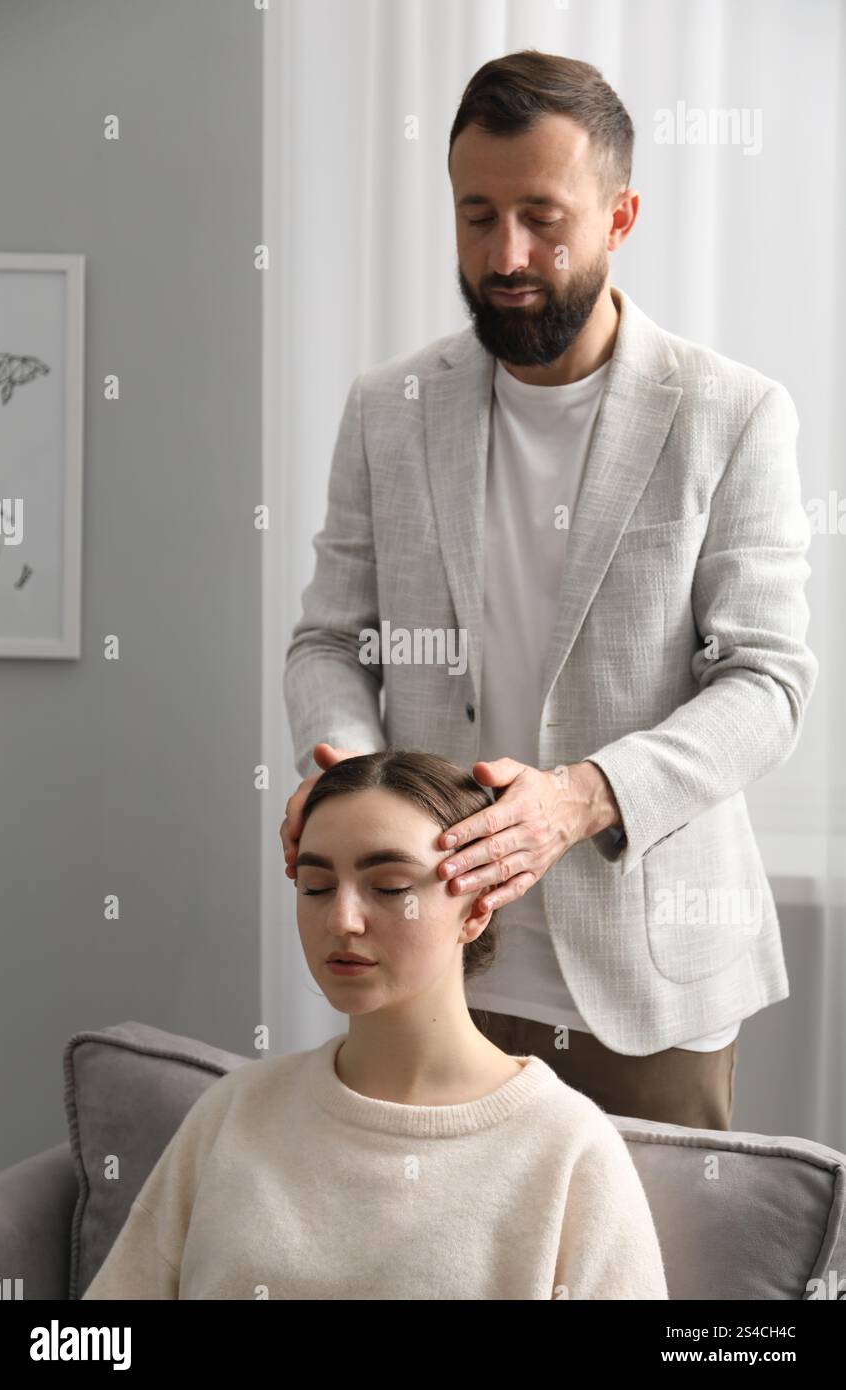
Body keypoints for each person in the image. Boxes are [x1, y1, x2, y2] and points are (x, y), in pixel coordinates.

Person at [281, 51, 817, 1130]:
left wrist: (577, 798)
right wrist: (345, 775)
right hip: (434, 973)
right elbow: (327, 643)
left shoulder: (733, 410)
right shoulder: (387, 408)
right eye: (476, 217)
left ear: (619, 217)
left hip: (649, 992)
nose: (505, 254)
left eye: (540, 215)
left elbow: (768, 686)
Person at [83, 750, 667, 1300]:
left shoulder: (568, 1150)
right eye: (315, 886)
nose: (341, 919)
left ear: (478, 908)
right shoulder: (234, 1112)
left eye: (389, 888)